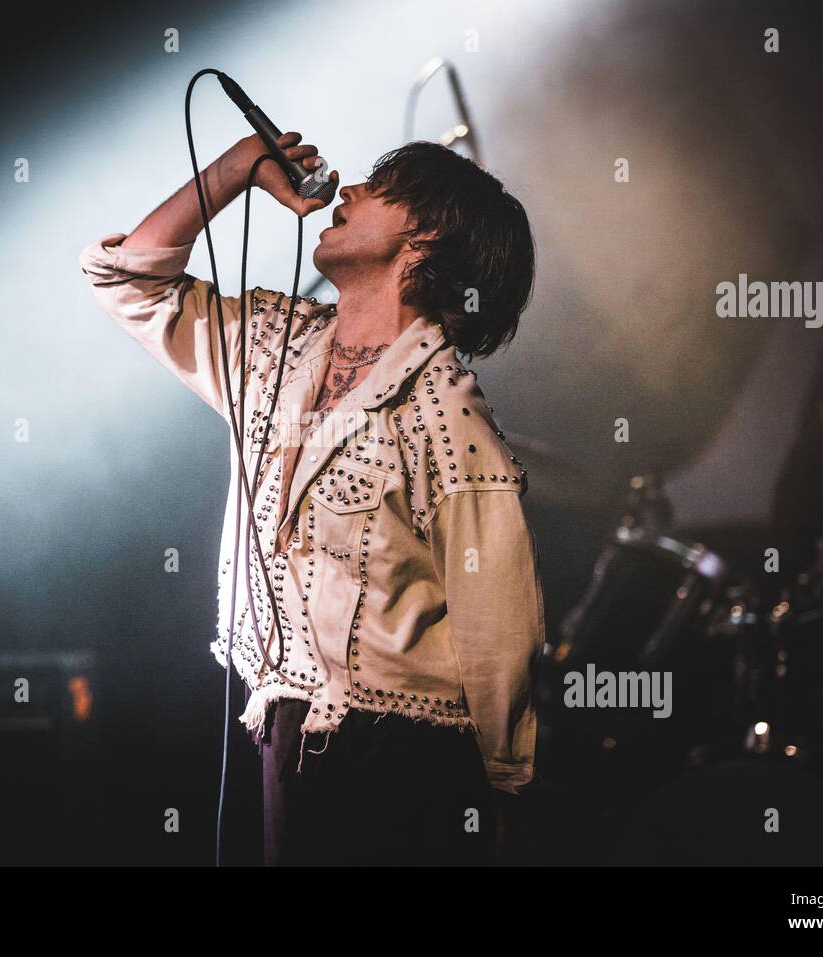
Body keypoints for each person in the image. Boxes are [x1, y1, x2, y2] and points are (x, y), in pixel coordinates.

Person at [79, 128, 543, 865]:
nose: (348, 190)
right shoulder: (273, 346)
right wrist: (233, 169)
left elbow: (499, 632)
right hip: (286, 731)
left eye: (379, 187)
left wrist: (503, 794)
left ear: (424, 239)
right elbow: (128, 281)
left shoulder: (448, 415)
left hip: (403, 755)